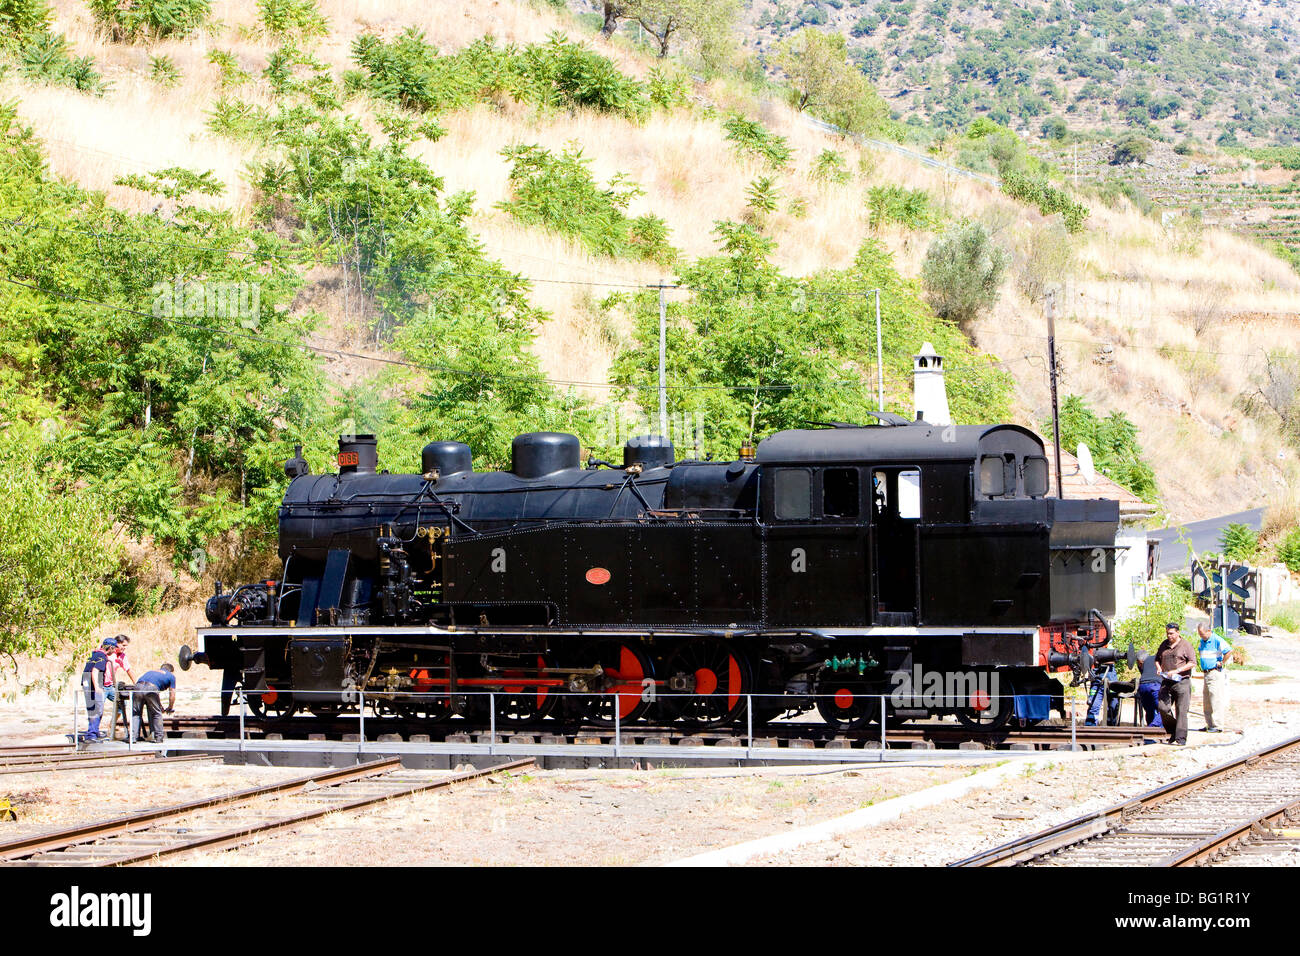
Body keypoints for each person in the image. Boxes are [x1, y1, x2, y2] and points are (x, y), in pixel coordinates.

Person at [1155, 622, 1196, 745]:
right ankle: (1173, 730)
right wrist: (1159, 668)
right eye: (1167, 633)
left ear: (1178, 632)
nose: (1169, 636)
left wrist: (1177, 670)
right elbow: (1157, 659)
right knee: (1162, 707)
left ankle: (1181, 738)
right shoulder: (1164, 645)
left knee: (1181, 710)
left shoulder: (1186, 645)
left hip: (1182, 681)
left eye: (1172, 633)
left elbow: (1193, 662)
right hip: (1167, 681)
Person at [1196, 622, 1232, 733]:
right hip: (1206, 673)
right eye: (1200, 634)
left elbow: (1229, 651)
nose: (1201, 636)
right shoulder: (1203, 641)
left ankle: (1217, 725)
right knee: (1206, 699)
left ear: (1208, 631)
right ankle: (1209, 724)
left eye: (1202, 634)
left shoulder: (1216, 640)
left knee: (1215, 698)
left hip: (1214, 672)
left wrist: (1221, 662)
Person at [131, 663, 177, 744]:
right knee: (157, 714)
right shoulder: (171, 676)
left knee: (136, 713)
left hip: (137, 687)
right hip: (151, 688)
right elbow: (172, 695)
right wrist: (170, 707)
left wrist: (160, 705)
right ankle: (159, 737)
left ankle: (133, 738)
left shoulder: (151, 672)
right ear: (171, 671)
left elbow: (155, 694)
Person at [80, 640, 111, 740]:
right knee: (97, 710)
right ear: (110, 648)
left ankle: (94, 731)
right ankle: (91, 735)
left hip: (87, 682)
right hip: (92, 684)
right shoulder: (102, 657)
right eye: (113, 649)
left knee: (93, 709)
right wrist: (97, 686)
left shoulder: (95, 654)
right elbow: (95, 671)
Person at [1085, 662, 1121, 726]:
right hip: (1096, 679)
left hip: (1111, 679)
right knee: (1094, 707)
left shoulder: (1111, 653)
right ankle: (1090, 730)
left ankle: (1111, 730)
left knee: (1113, 706)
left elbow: (1113, 659)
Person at [1136, 651, 1163, 728]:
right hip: (1155, 685)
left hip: (1143, 686)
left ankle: (1150, 737)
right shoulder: (1160, 659)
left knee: (1149, 711)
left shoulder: (1143, 663)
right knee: (1163, 710)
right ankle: (1152, 727)